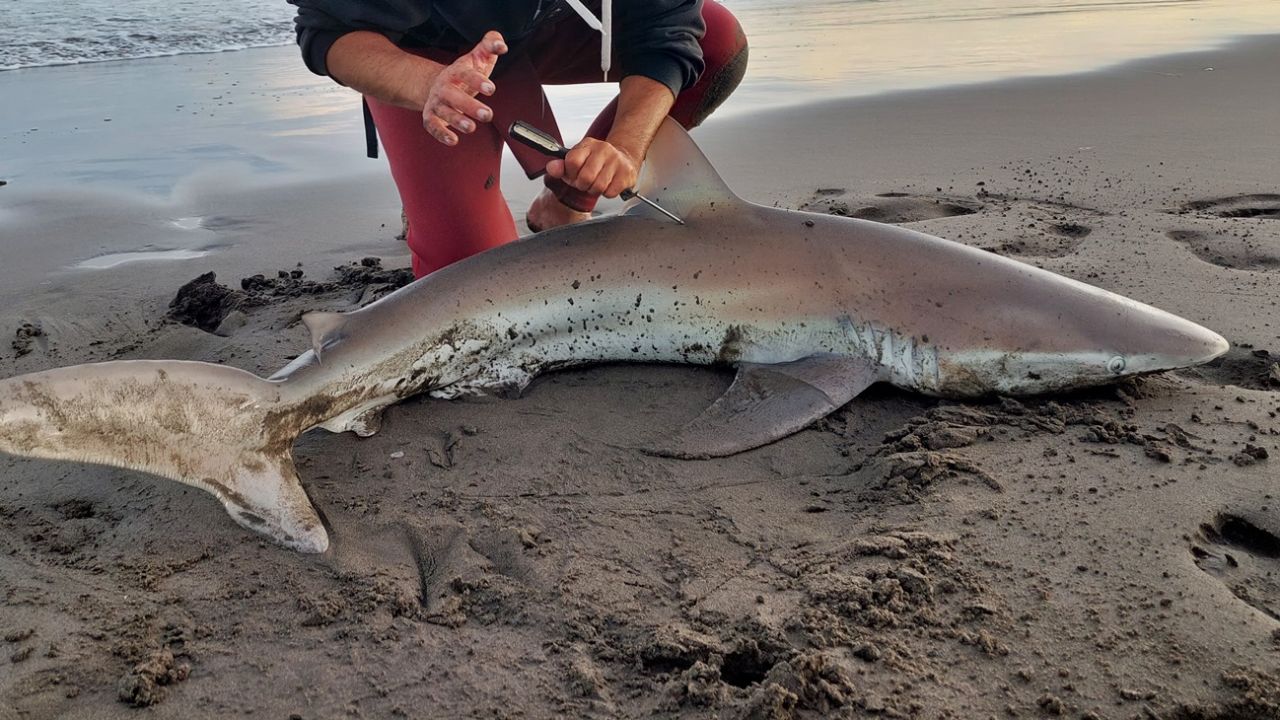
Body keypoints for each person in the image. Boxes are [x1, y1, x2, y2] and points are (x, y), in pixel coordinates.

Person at [289, 0, 748, 277]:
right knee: (474, 280)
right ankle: (431, 193)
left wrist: (625, 146)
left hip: (558, 23)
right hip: (423, 49)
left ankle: (567, 201)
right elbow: (329, 30)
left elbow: (667, 31)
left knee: (718, 41)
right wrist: (425, 84)